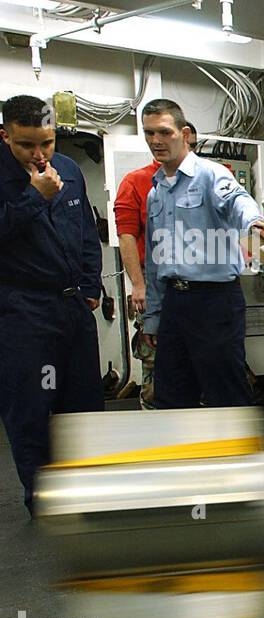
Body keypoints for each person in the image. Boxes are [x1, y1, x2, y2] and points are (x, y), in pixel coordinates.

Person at [0, 94, 104, 515]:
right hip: (22, 310)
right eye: (28, 145)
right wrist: (32, 197)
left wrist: (92, 283)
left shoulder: (68, 170)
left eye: (48, 142)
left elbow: (84, 233)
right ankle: (42, 497)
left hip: (72, 305)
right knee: (34, 405)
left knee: (84, 403)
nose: (40, 154)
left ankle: (86, 490)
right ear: (5, 135)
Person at [139, 98, 264, 409]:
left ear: (184, 133)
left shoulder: (211, 174)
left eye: (164, 132)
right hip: (175, 302)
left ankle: (237, 458)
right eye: (149, 134)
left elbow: (237, 199)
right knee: (171, 395)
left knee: (225, 392)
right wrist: (154, 316)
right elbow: (154, 258)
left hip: (215, 302)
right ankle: (186, 458)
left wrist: (253, 221)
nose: (156, 141)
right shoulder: (155, 191)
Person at [114, 123, 199, 409]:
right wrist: (138, 285)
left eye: (195, 147)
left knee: (199, 364)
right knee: (158, 363)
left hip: (198, 287)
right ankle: (157, 425)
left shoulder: (205, 181)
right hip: (156, 285)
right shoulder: (137, 182)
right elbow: (127, 236)